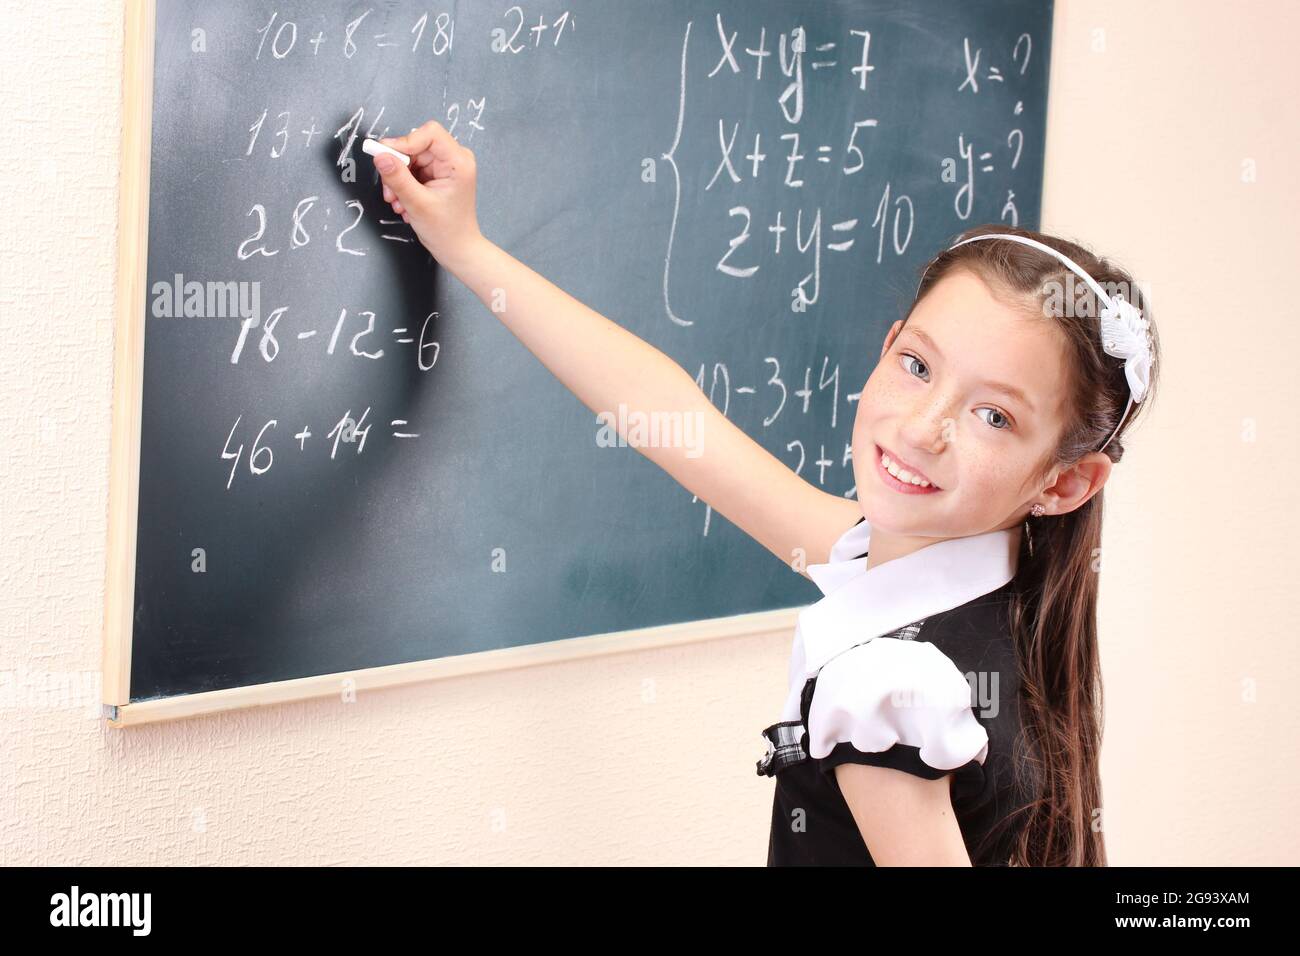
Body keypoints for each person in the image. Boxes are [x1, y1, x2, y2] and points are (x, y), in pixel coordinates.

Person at [370, 120, 1162, 866]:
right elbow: (674, 420)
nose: (924, 429)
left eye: (992, 416)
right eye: (918, 367)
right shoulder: (942, 574)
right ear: (887, 348)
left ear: (1065, 483)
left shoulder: (891, 686)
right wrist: (467, 248)